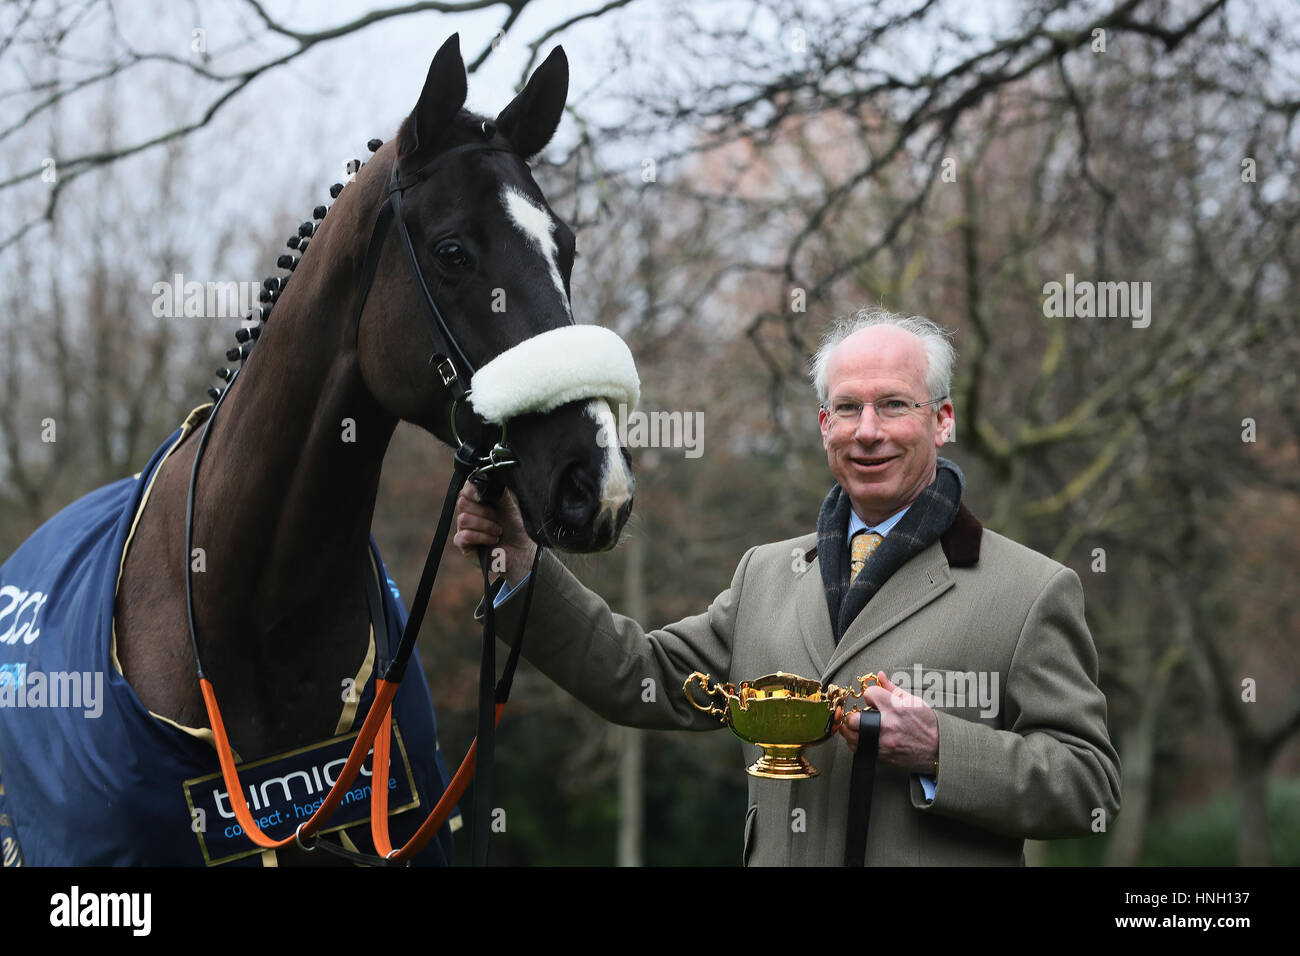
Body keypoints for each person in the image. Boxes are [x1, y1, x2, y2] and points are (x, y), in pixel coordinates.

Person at [454, 308, 1122, 866]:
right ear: (823, 424)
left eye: (894, 405)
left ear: (941, 420)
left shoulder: (1032, 589)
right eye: (847, 408)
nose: (868, 431)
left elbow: (1087, 785)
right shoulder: (764, 575)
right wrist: (522, 562)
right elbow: (638, 676)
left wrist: (941, 750)